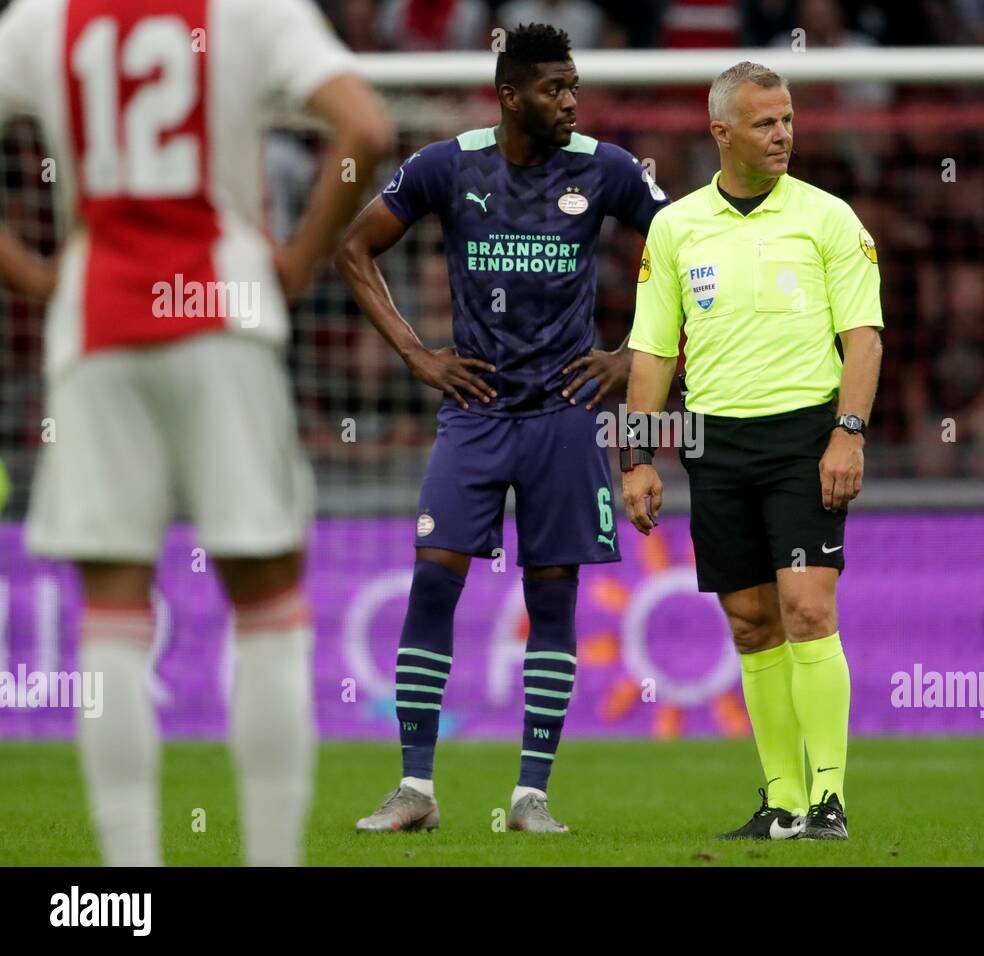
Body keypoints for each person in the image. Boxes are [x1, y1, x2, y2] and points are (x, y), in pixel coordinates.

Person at [0, 0, 394, 865]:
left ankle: (129, 883)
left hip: (97, 331)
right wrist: (295, 260)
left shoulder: (42, 20)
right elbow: (366, 124)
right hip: (227, 323)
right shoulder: (250, 10)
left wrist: (30, 271)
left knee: (108, 613)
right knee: (264, 604)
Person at [336, 22, 669, 834]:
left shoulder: (607, 169)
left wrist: (629, 358)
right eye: (554, 89)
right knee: (432, 577)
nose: (569, 101)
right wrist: (418, 356)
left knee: (551, 601)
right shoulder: (451, 165)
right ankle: (415, 788)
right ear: (510, 95)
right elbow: (354, 246)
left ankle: (531, 799)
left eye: (574, 87)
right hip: (475, 413)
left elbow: (696, 260)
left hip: (565, 418)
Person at [621, 61, 883, 840]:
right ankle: (782, 801)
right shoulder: (676, 227)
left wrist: (849, 431)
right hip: (716, 441)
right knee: (750, 623)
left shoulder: (830, 218)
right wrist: (636, 456)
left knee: (808, 607)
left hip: (806, 436)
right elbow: (653, 353)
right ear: (722, 132)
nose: (783, 134)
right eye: (766, 123)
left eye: (789, 119)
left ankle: (829, 799)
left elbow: (862, 340)